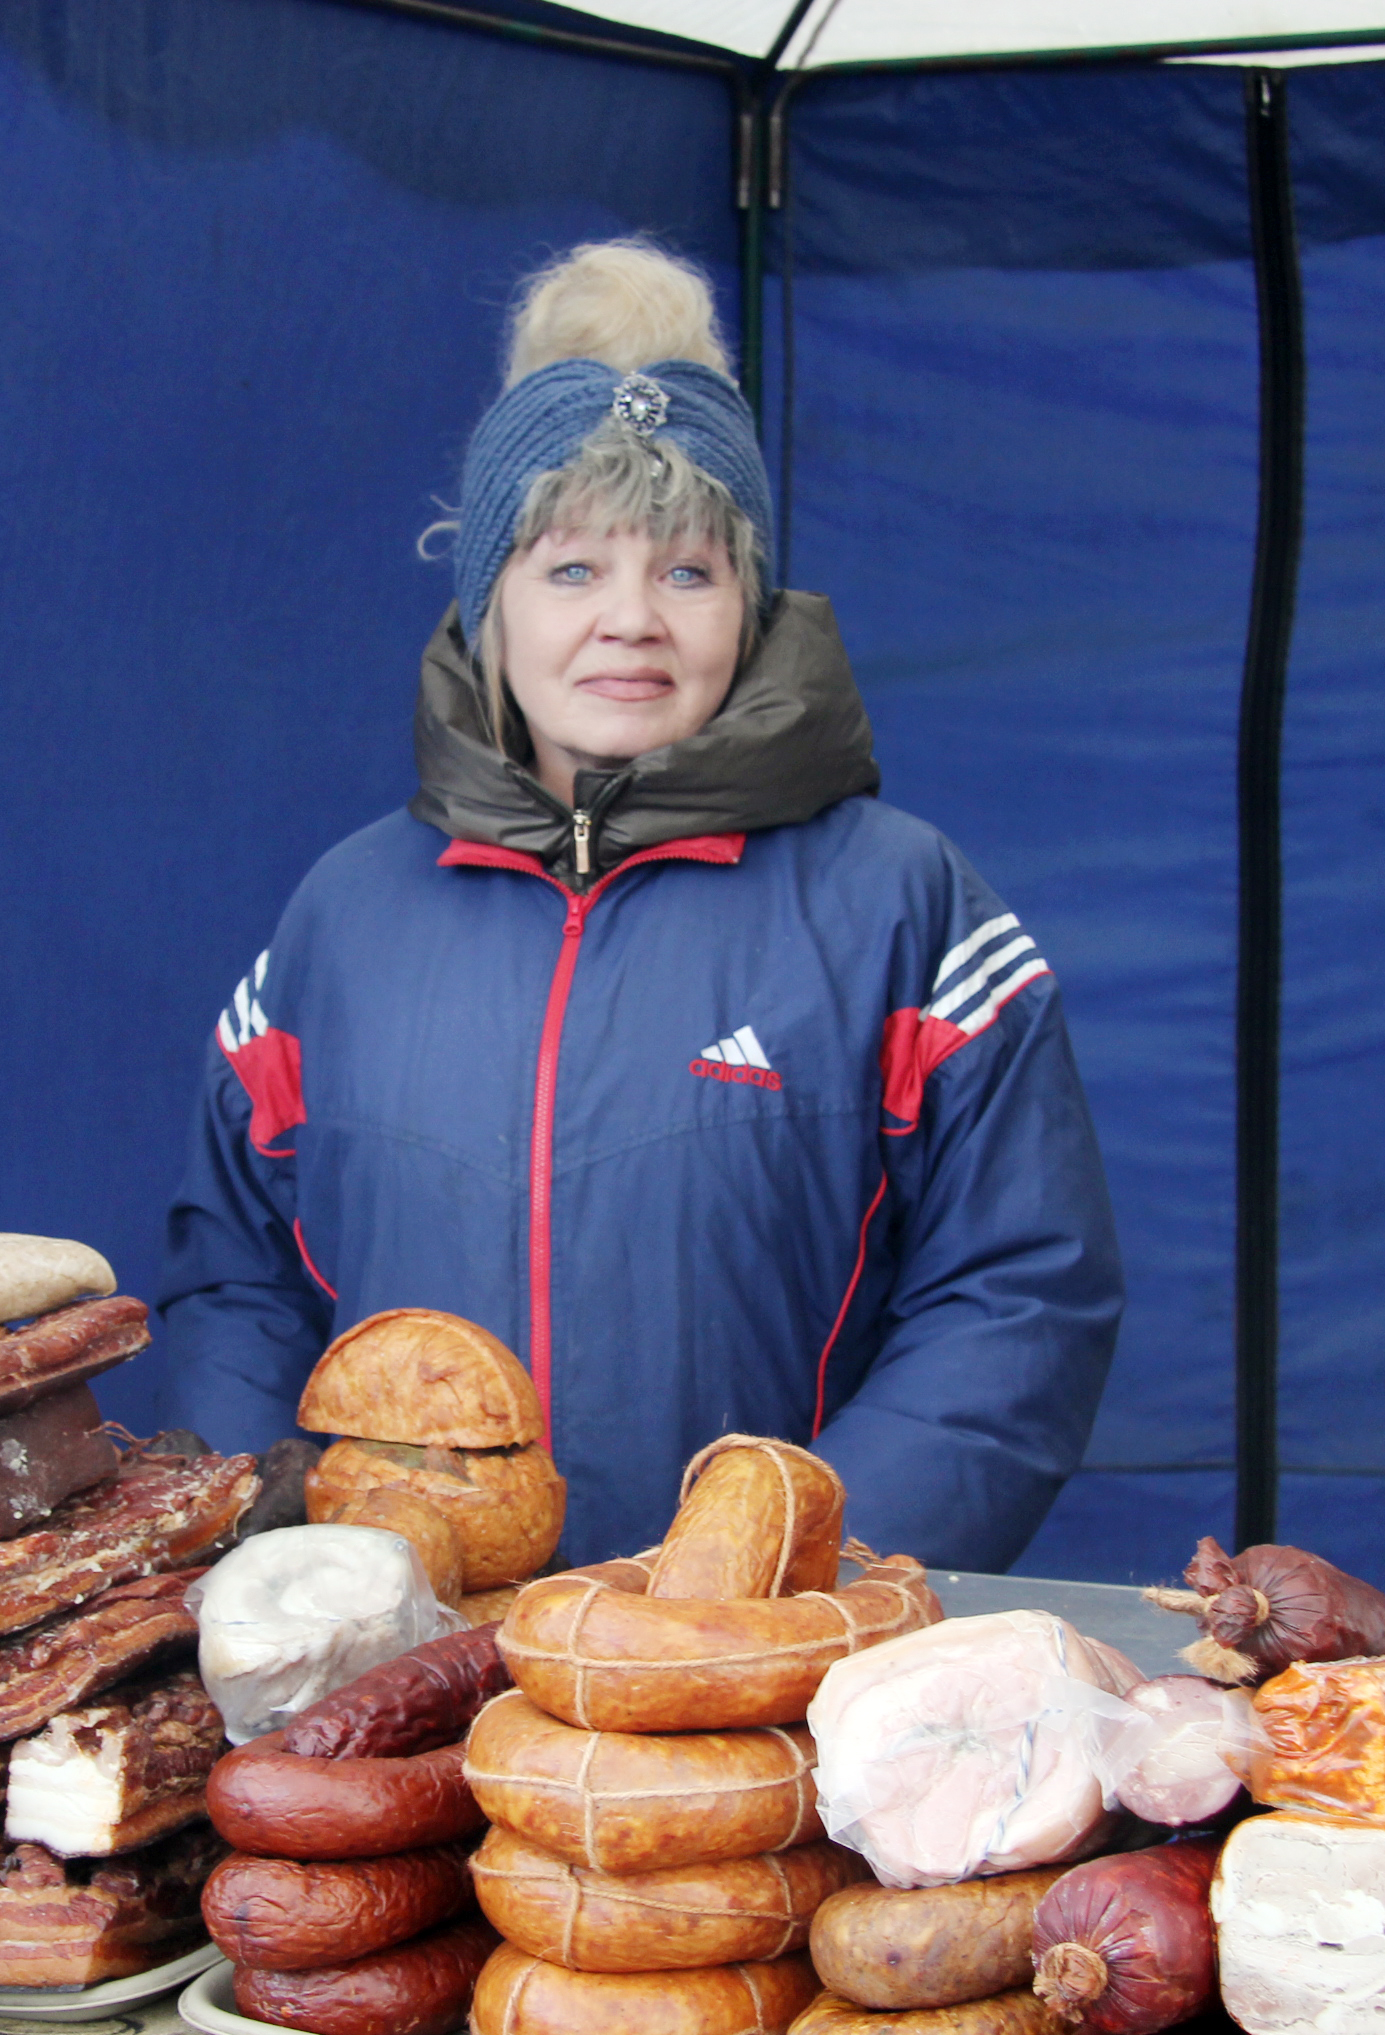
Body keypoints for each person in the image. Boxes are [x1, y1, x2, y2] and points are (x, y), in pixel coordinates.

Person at [158, 239, 1120, 1573]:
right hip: (397, 1677)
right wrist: (270, 1544)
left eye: (686, 572)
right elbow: (238, 1277)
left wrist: (771, 1576)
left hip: (756, 1700)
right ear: (488, 598)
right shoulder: (345, 916)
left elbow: (1020, 1295)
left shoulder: (905, 906)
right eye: (570, 571)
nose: (631, 621)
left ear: (752, 603)